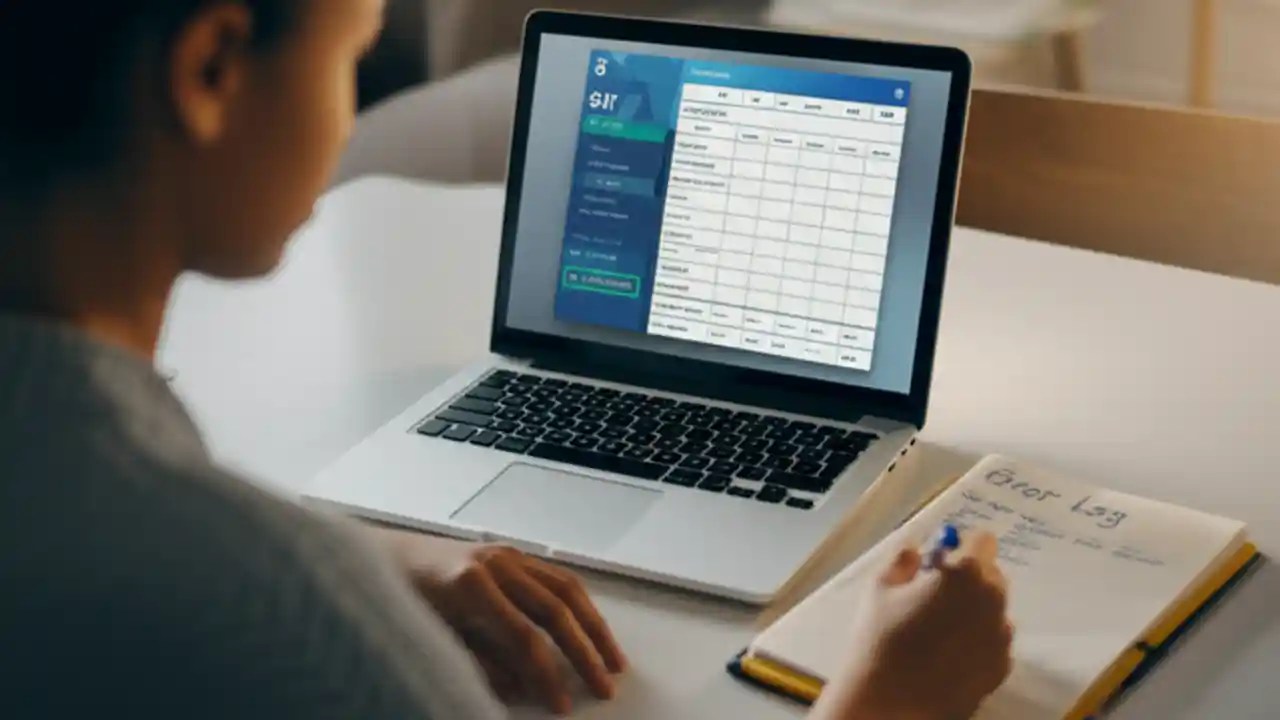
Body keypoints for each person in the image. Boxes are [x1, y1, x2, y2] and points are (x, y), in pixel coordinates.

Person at [0, 0, 1014, 718]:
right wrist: (894, 697)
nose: (350, 109)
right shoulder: (281, 604)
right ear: (212, 69)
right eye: (350, 52)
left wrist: (386, 557)